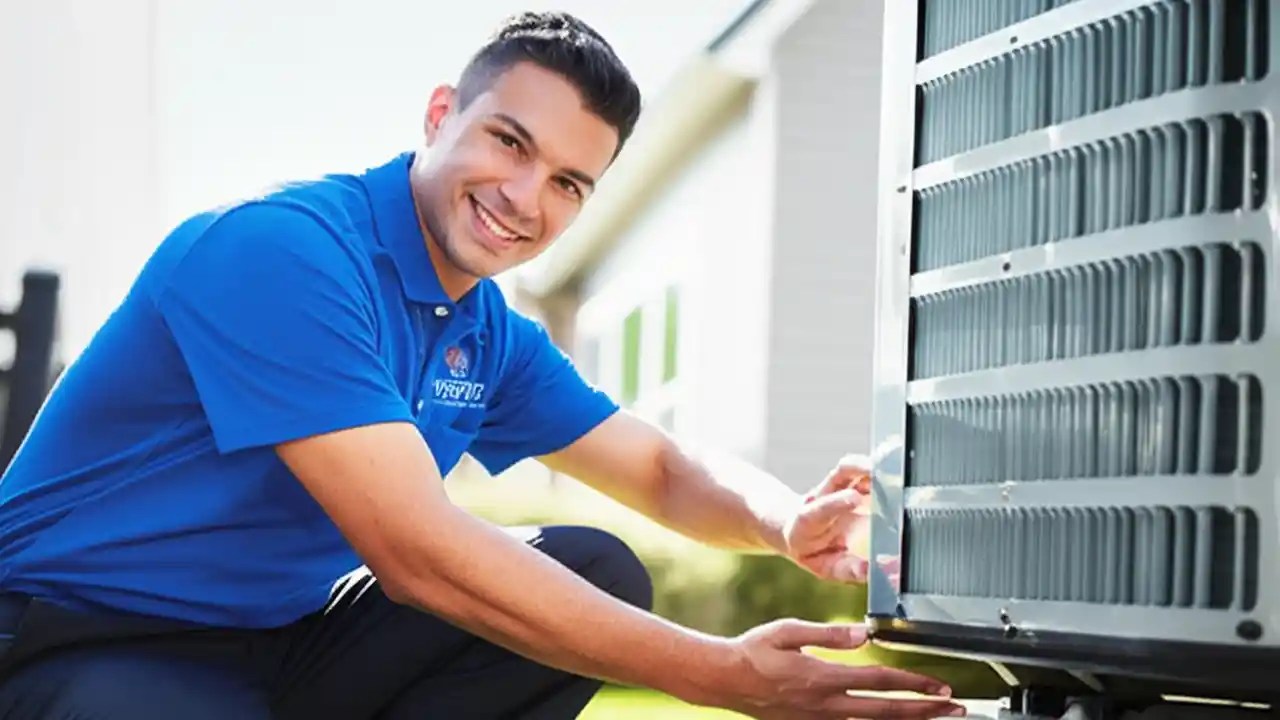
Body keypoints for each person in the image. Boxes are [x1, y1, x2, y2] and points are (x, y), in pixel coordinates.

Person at [0, 11, 958, 720]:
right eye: (509, 141)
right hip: (84, 631)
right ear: (440, 115)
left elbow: (662, 470)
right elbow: (418, 554)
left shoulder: (481, 328)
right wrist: (723, 674)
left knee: (594, 566)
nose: (523, 197)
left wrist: (785, 519)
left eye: (568, 183)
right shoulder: (284, 254)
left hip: (271, 643)